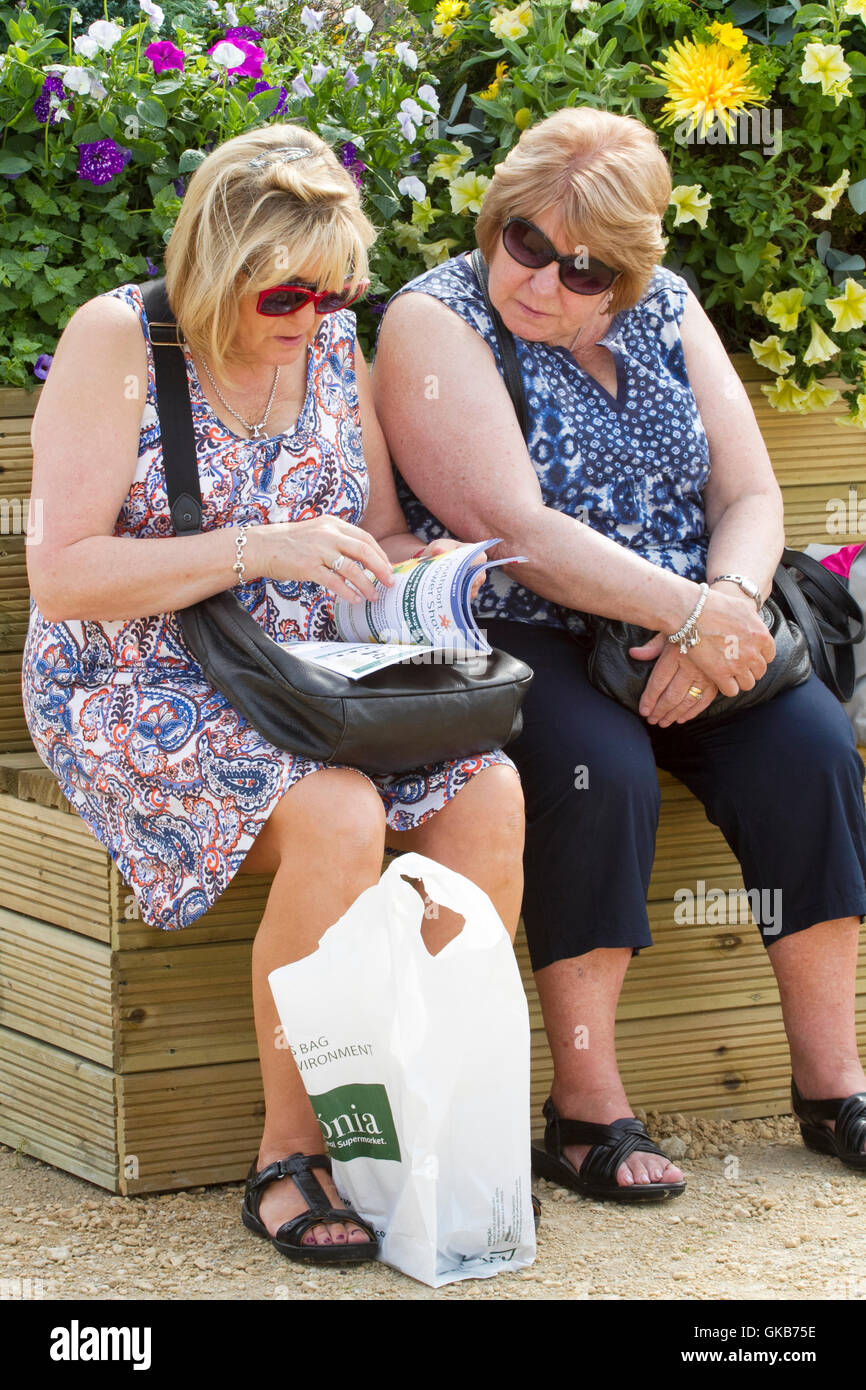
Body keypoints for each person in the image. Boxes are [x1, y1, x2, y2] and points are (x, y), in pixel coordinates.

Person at [21, 124, 526, 1262]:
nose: (310, 321)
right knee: (340, 809)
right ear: (214, 265)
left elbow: (378, 531)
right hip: (132, 676)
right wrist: (261, 546)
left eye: (335, 295)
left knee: (488, 791)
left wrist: (429, 581)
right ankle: (292, 1153)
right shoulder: (118, 339)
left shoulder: (330, 348)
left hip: (310, 674)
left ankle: (429, 1119)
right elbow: (62, 572)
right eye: (284, 296)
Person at [372, 107, 866, 1201]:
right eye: (526, 244)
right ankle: (584, 1106)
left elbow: (746, 491)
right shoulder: (434, 320)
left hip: (691, 619)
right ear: (496, 223)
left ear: (632, 267)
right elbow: (515, 531)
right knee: (600, 773)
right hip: (518, 625)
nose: (543, 281)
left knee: (810, 749)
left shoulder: (669, 308)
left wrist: (728, 603)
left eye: (585, 269)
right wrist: (693, 615)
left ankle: (832, 1084)